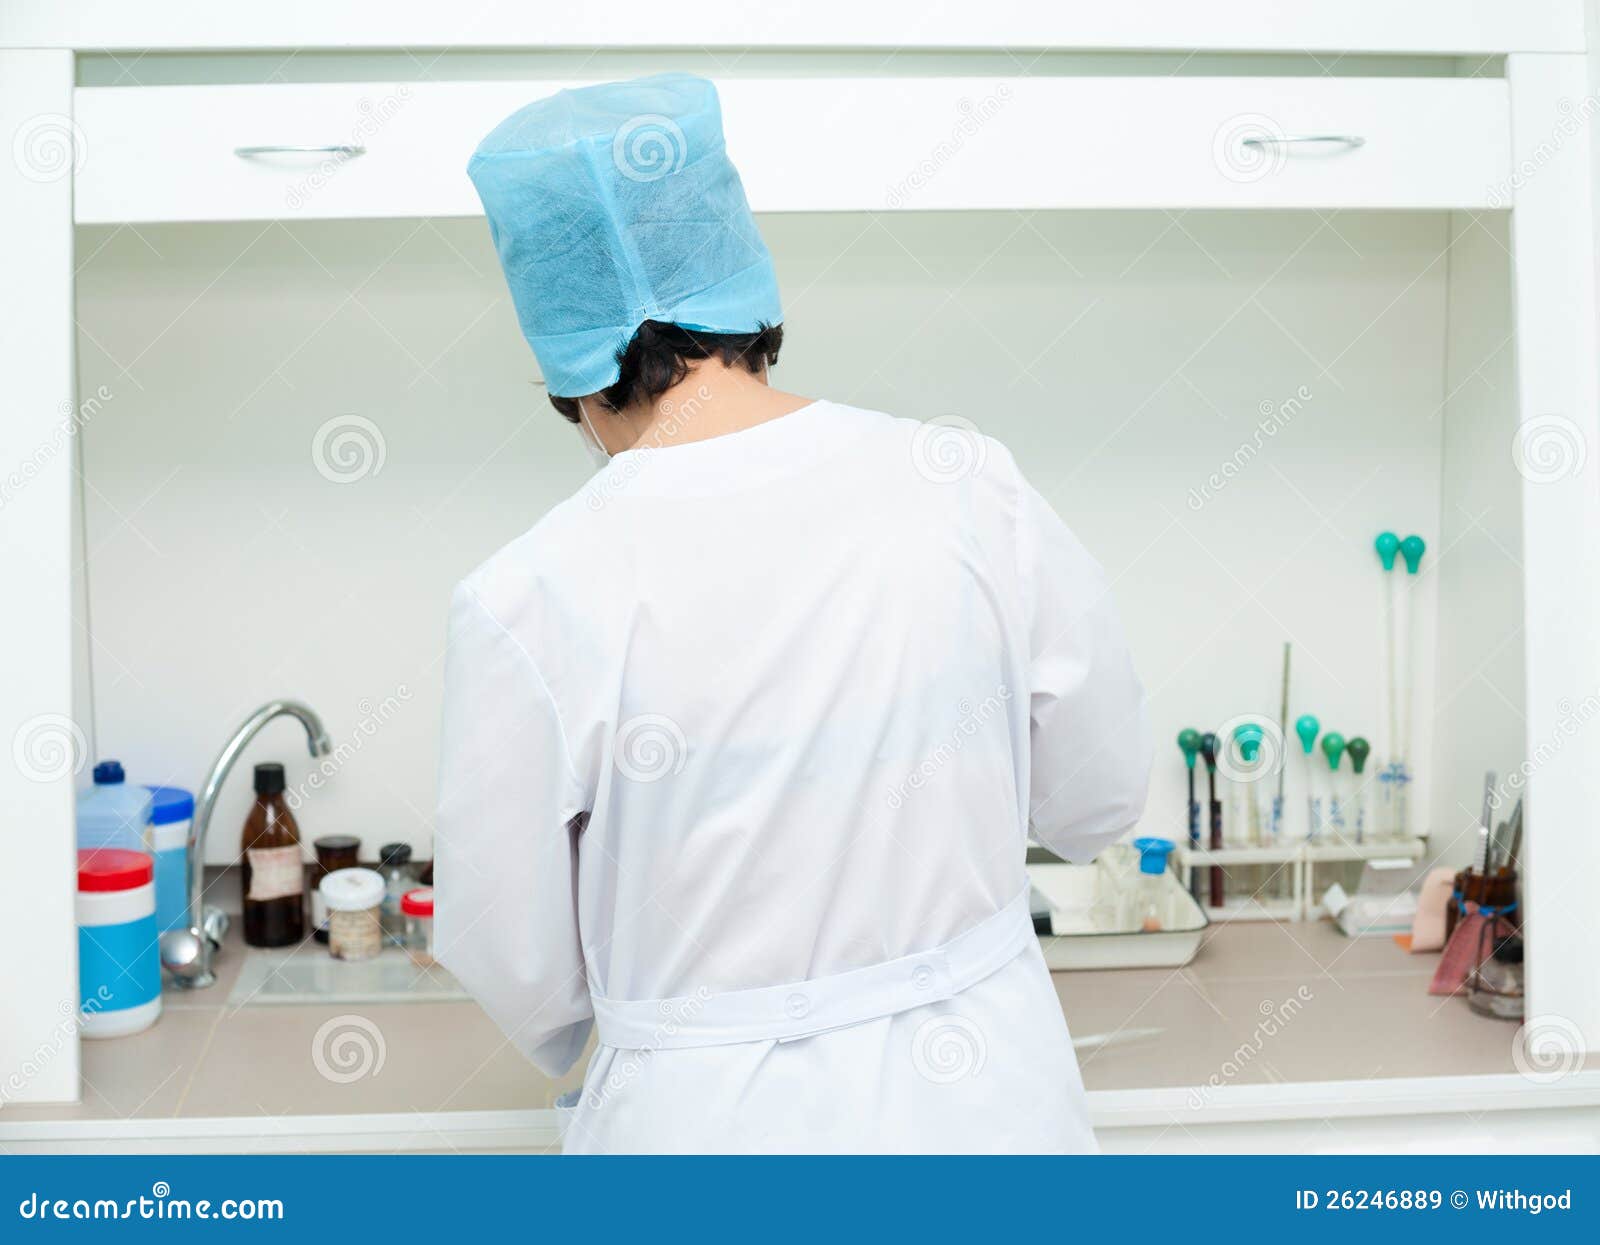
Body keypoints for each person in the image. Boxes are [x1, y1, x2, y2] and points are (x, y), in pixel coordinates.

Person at [436, 73, 1151, 1154]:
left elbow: (519, 969)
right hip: (986, 1107)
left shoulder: (526, 595)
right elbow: (1096, 804)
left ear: (566, 367)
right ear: (741, 287)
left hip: (704, 1131)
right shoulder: (964, 481)